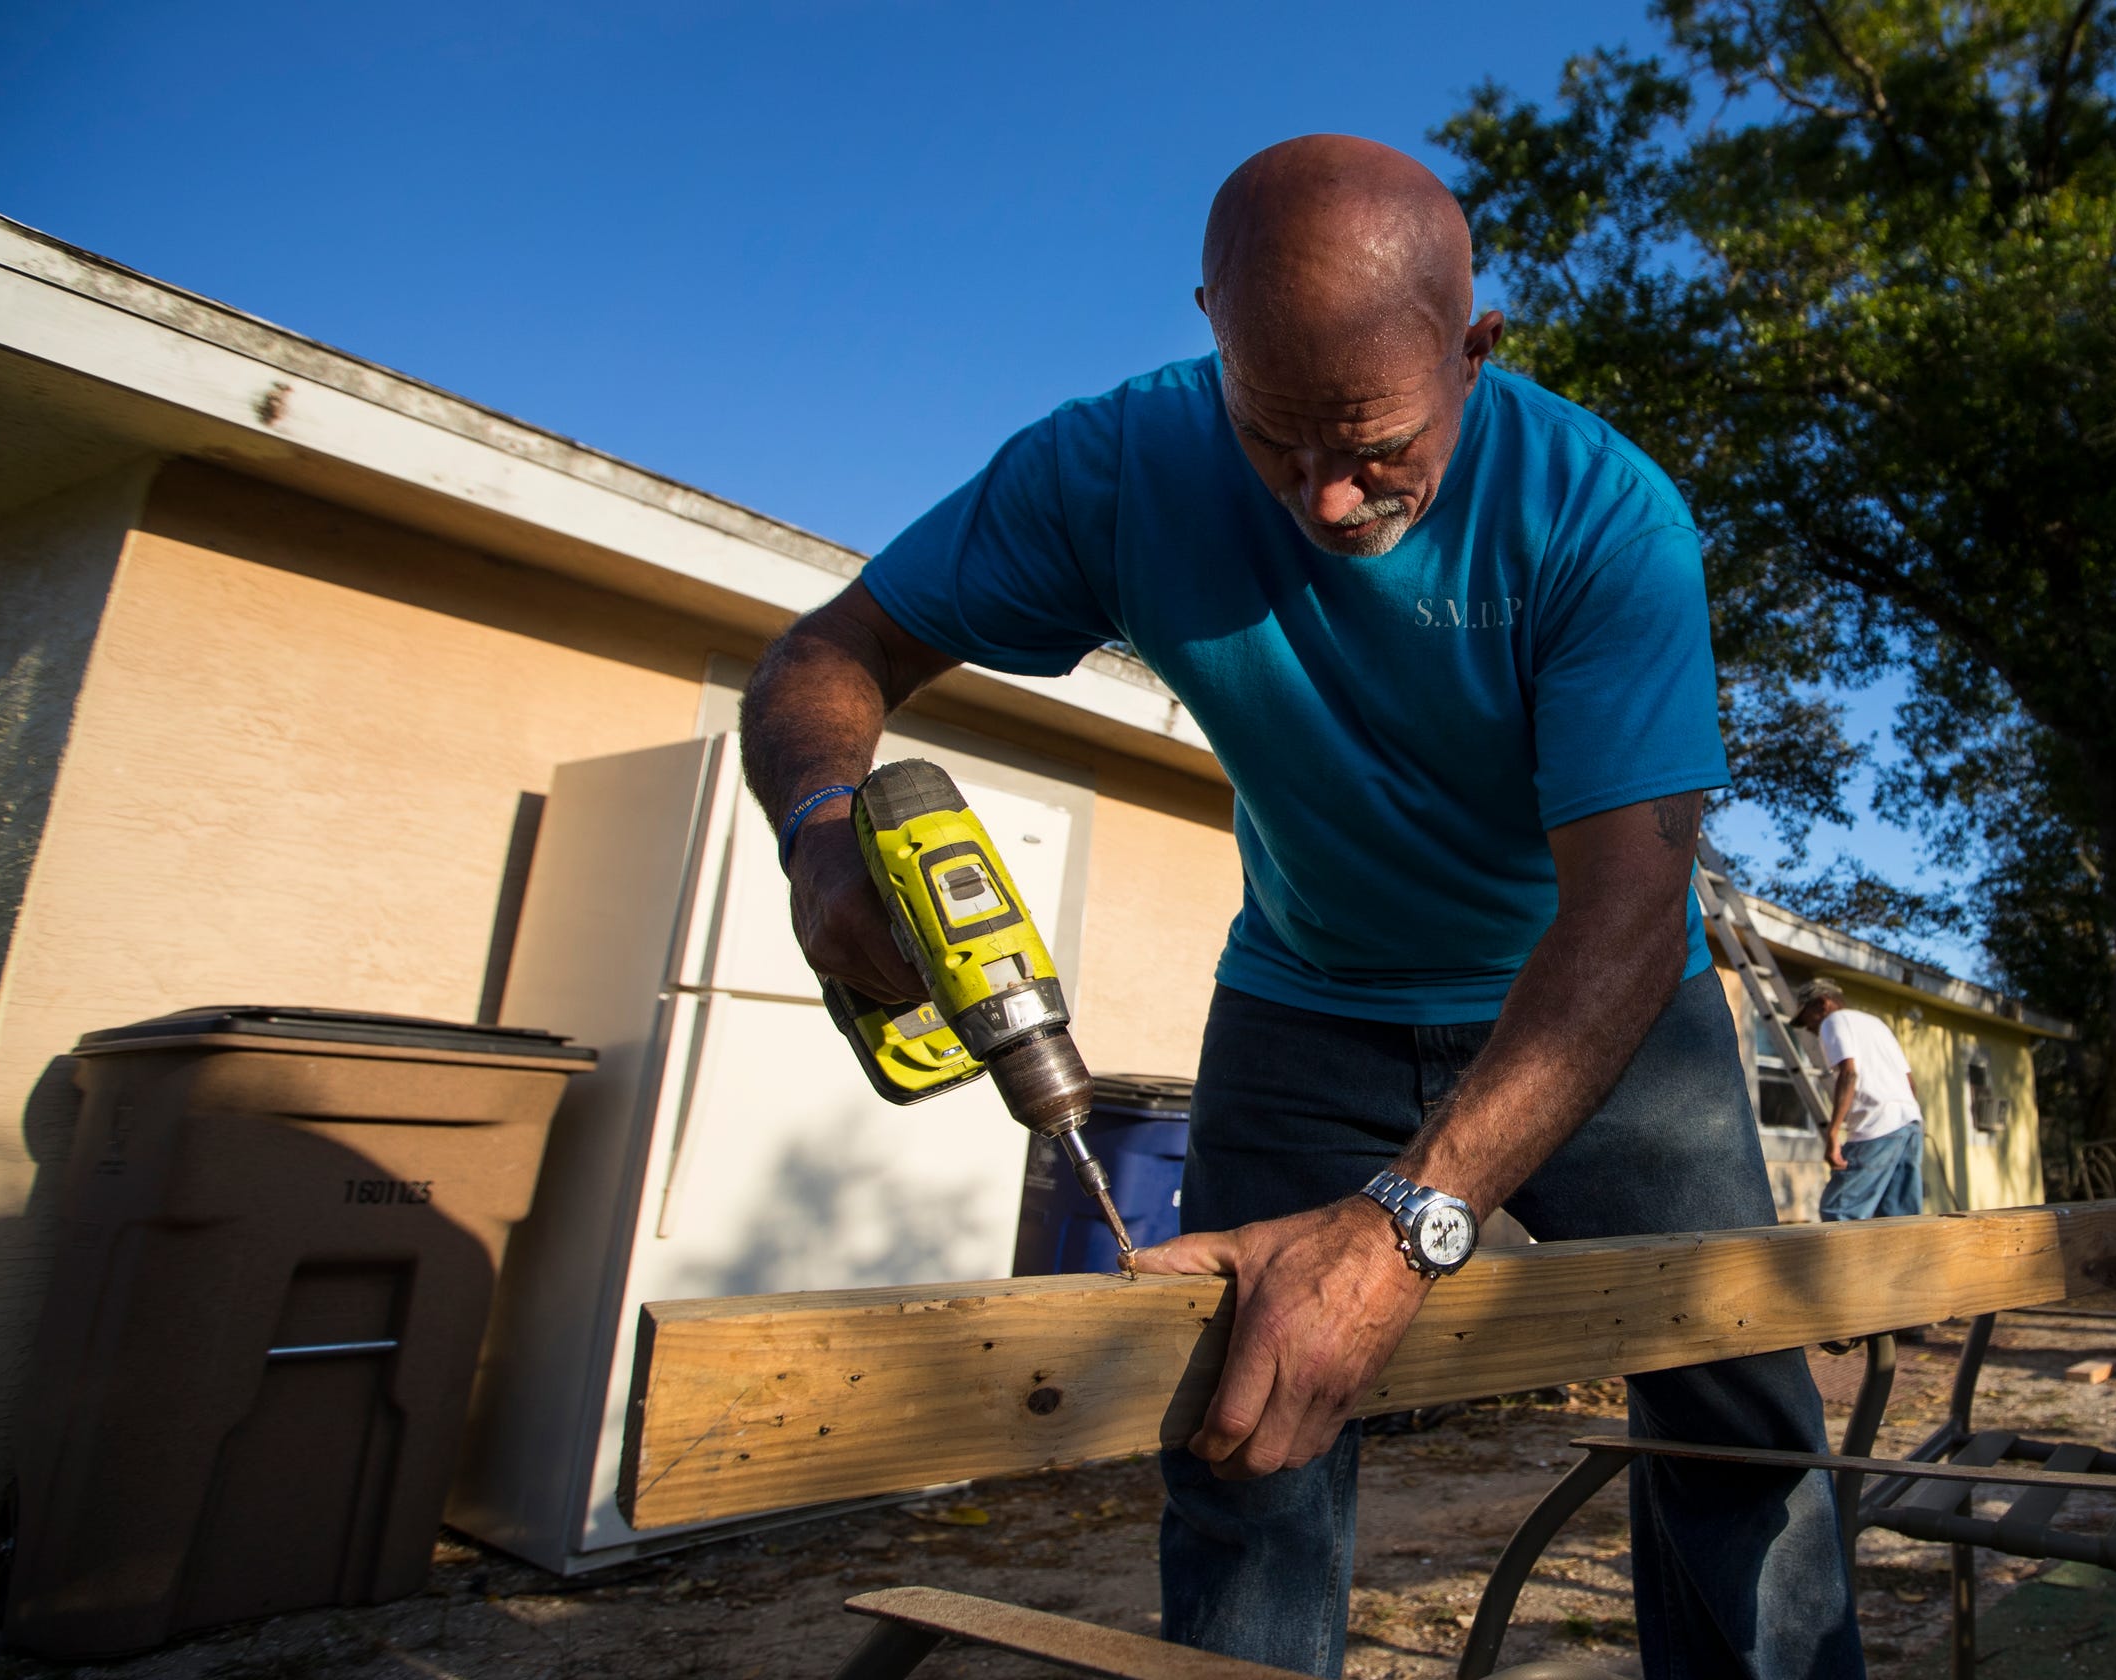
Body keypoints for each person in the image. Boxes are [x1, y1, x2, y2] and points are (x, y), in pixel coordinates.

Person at [739, 135, 1863, 1680]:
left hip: (1604, 1016)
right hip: (1305, 1001)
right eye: (1274, 438)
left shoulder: (1605, 519)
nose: (1327, 498)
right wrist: (814, 827)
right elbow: (826, 654)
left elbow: (1620, 911)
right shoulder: (1116, 466)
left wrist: (1405, 1229)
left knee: (1738, 1420)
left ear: (1474, 349)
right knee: (1239, 1425)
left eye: (1375, 443)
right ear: (1211, 324)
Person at [1795, 979, 1925, 1222]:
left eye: (1807, 1020)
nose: (1809, 1029)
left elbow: (1849, 1073)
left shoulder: (1833, 1021)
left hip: (1877, 1127)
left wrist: (1833, 1136)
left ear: (1823, 1004)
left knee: (1839, 1212)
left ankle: (1843, 1263)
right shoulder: (1876, 1024)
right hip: (1910, 1123)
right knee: (1900, 1221)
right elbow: (1910, 1083)